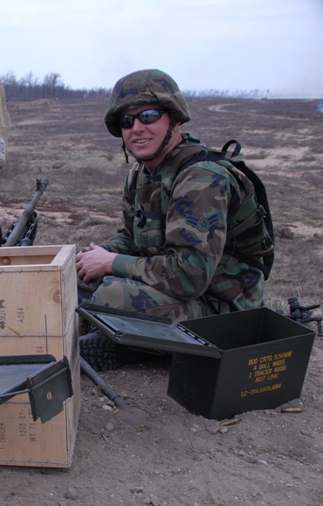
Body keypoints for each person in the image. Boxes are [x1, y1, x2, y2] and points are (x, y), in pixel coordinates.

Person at [76, 69, 272, 371]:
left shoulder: (202, 179)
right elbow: (133, 239)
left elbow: (189, 275)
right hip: (178, 291)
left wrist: (111, 262)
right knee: (76, 279)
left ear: (174, 119)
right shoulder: (142, 174)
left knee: (112, 296)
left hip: (223, 307)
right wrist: (94, 256)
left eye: (149, 116)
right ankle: (126, 338)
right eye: (127, 121)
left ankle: (135, 349)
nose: (137, 128)